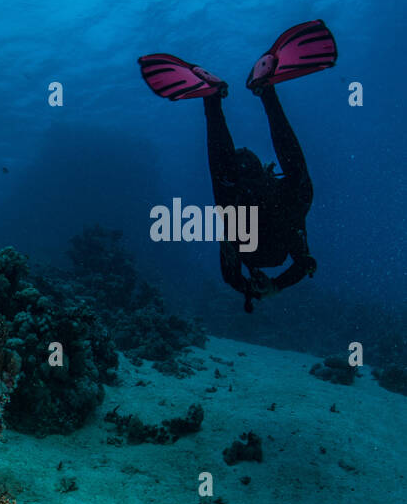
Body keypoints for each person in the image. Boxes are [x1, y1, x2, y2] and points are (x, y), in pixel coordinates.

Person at [139, 20, 337, 312]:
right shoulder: (242, 244)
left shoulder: (238, 246)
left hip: (259, 201)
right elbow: (300, 264)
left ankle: (249, 92)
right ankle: (219, 97)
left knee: (291, 183)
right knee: (229, 181)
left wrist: (260, 288)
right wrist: (270, 288)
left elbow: (298, 265)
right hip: (263, 200)